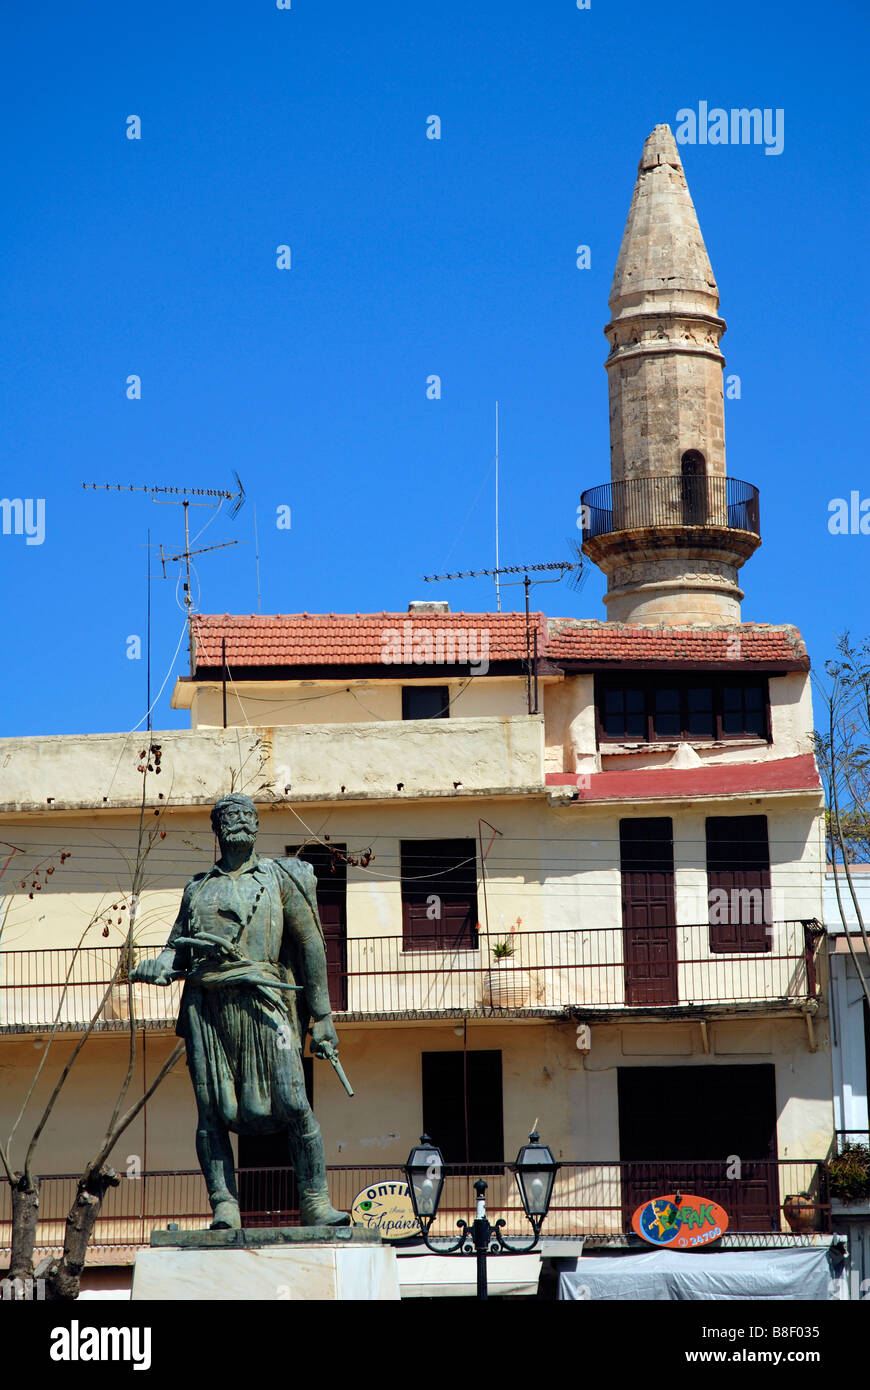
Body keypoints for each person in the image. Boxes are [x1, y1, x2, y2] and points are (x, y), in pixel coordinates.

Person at [131, 792, 349, 1229]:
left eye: (248, 817)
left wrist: (322, 1017)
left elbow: (309, 944)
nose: (240, 823)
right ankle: (224, 1206)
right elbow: (178, 948)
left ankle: (314, 1200)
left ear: (257, 826)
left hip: (266, 1003)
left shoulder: (278, 878)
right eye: (230, 818)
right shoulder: (198, 888)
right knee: (212, 1110)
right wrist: (160, 966)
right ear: (218, 828)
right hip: (208, 1008)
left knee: (293, 1101)